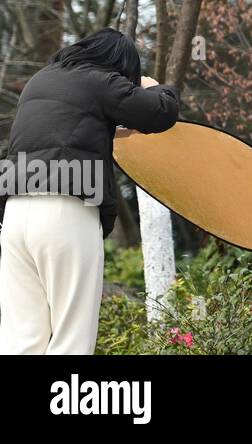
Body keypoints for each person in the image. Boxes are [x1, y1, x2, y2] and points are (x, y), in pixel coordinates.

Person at [0, 29, 179, 354]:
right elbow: (159, 112)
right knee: (72, 337)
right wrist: (154, 87)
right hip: (65, 211)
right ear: (119, 66)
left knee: (21, 338)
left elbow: (67, 131)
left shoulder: (41, 80)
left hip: (15, 211)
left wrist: (112, 128)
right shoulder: (101, 80)